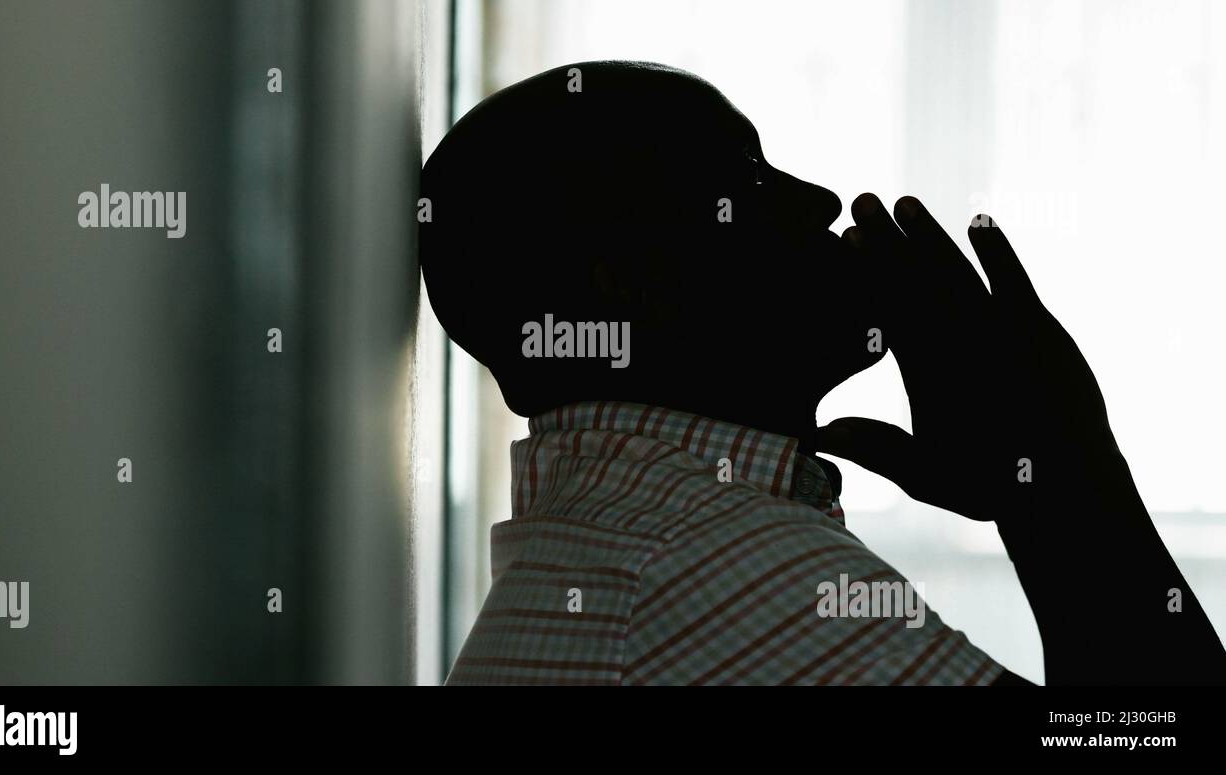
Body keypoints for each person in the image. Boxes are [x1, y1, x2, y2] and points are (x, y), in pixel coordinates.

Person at [419, 60, 1226, 685]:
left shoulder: (610, 541)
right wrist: (1060, 468)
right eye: (747, 181)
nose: (820, 200)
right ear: (621, 285)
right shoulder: (715, 567)